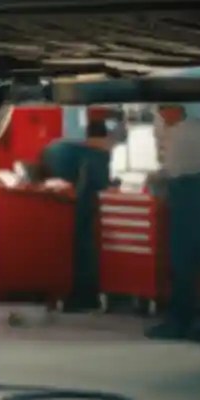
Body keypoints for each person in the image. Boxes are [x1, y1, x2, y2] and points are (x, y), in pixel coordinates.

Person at [32, 118, 121, 310]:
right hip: (81, 198)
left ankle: (79, 294)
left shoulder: (60, 147)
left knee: (77, 244)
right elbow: (95, 183)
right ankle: (85, 296)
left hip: (66, 196)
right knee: (85, 244)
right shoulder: (95, 153)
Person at [146, 103, 200, 341]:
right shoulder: (162, 116)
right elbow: (166, 151)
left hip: (194, 186)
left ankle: (196, 320)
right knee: (183, 257)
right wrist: (163, 174)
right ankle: (187, 319)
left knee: (195, 256)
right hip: (179, 185)